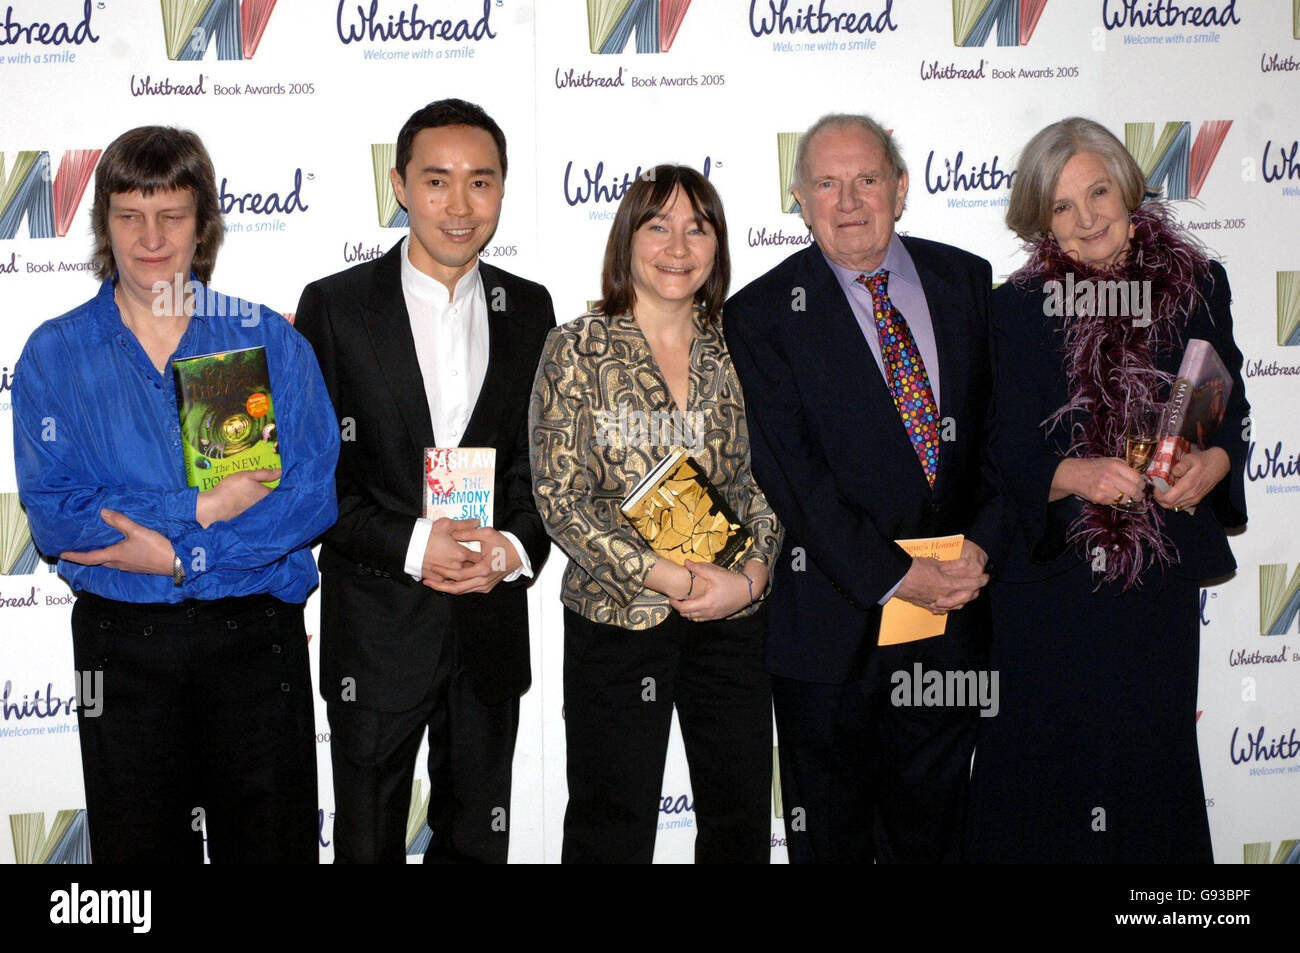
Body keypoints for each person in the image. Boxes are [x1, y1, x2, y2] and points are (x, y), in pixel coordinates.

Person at [12, 126, 340, 863]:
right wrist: (201, 507)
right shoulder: (54, 352)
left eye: (171, 215)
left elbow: (312, 494)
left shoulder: (266, 339)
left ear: (204, 223)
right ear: (103, 223)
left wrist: (179, 552)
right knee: (132, 863)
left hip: (256, 635)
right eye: (129, 215)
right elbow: (56, 515)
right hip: (117, 644)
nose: (150, 237)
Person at [965, 117, 1249, 864]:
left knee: (1149, 762)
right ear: (1040, 218)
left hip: (1154, 584)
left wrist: (1212, 467)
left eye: (1097, 191)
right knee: (1038, 767)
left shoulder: (1198, 286)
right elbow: (995, 447)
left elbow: (1229, 408)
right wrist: (1070, 472)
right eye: (1062, 206)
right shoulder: (1015, 308)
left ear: (1129, 188)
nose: (1087, 218)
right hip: (1048, 585)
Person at [723, 114, 1003, 863]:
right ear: (800, 199)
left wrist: (979, 550)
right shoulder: (758, 315)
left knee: (936, 834)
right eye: (826, 183)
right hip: (831, 633)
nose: (849, 200)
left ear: (901, 189)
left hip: (951, 626)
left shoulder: (969, 282)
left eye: (868, 179)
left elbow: (1001, 443)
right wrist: (900, 575)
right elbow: (793, 479)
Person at [294, 99, 554, 864]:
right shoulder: (335, 308)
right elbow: (313, 483)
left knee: (478, 841)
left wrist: (509, 547)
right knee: (367, 841)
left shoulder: (529, 308)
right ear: (400, 185)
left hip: (488, 628)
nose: (460, 204)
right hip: (378, 630)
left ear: (503, 189)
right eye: (437, 181)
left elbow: (542, 469)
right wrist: (414, 545)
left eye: (482, 181)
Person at [530, 165, 782, 863]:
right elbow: (560, 497)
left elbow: (769, 480)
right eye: (658, 225)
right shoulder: (576, 347)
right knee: (612, 824)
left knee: (737, 820)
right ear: (627, 240)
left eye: (697, 227)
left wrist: (754, 575)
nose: (679, 245)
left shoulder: (742, 346)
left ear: (718, 245)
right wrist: (662, 574)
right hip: (617, 618)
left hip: (731, 614)